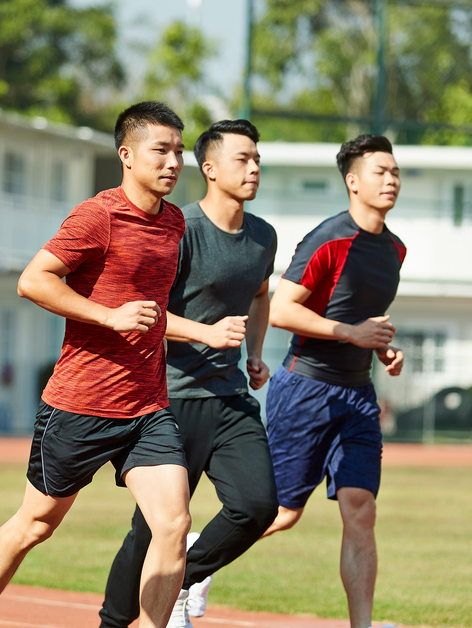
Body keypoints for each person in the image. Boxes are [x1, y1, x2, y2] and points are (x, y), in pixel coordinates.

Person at [0, 102, 191, 628]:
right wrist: (109, 318)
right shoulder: (98, 215)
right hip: (79, 406)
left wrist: (203, 332)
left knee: (173, 525)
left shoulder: (174, 222)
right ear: (127, 155)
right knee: (36, 523)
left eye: (179, 150)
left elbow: (151, 315)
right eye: (161, 150)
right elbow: (33, 280)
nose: (174, 161)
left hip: (147, 409)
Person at [98, 119, 279, 628]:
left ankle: (181, 580)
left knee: (258, 506)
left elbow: (262, 294)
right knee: (150, 529)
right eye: (242, 159)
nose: (254, 168)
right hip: (170, 397)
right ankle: (111, 624)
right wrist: (205, 333)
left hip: (230, 396)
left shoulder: (263, 236)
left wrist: (255, 352)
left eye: (257, 159)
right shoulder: (180, 230)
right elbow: (146, 309)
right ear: (210, 169)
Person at [262, 134, 406, 628]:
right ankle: (188, 565)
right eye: (379, 172)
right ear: (352, 181)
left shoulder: (395, 250)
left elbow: (362, 317)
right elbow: (281, 311)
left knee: (360, 509)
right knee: (280, 514)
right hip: (305, 390)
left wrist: (383, 346)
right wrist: (352, 333)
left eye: (395, 172)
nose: (390, 180)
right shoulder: (328, 238)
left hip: (359, 395)